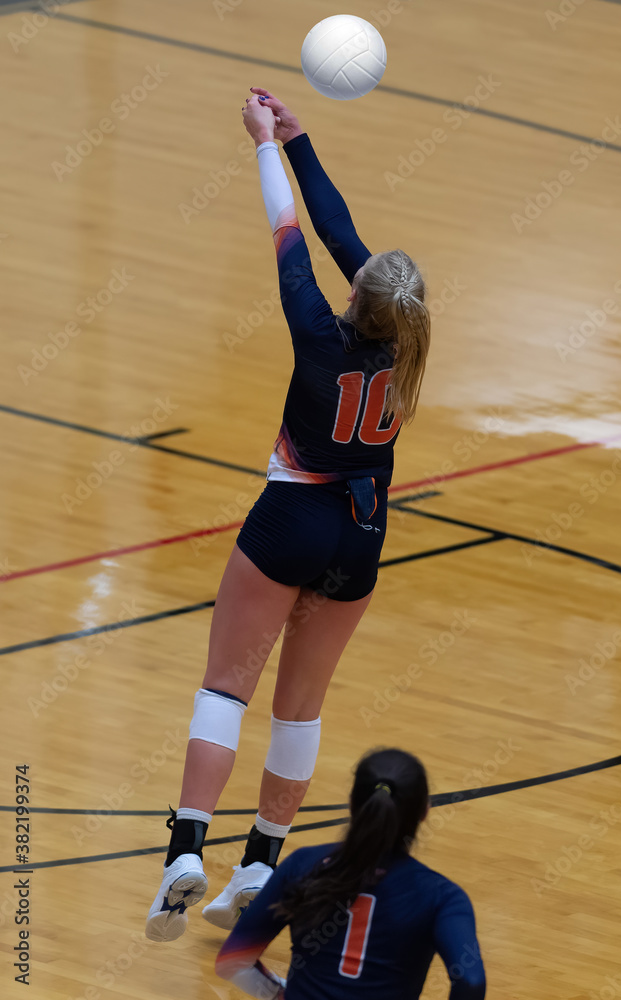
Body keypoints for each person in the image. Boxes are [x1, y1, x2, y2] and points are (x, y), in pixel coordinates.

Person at [145, 88, 431, 943]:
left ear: (355, 295)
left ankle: (186, 851)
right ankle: (262, 862)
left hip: (291, 520)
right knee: (298, 709)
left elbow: (293, 231)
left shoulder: (315, 328)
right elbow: (340, 237)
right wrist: (298, 143)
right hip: (362, 533)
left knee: (224, 688)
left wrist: (265, 145)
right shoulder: (407, 342)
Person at [216, 748, 486, 999]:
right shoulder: (441, 896)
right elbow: (471, 981)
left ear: (352, 803)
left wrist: (282, 995)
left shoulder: (303, 864)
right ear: (424, 812)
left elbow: (233, 960)